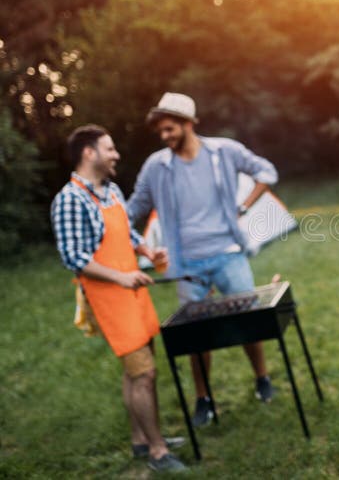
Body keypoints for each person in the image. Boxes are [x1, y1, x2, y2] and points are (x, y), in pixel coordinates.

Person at [127, 92, 278, 428]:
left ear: (188, 123)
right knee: (195, 336)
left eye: (169, 128)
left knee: (249, 321)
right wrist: (131, 240)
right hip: (186, 266)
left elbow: (266, 172)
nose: (164, 136)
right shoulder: (156, 167)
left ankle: (262, 378)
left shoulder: (224, 151)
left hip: (228, 255)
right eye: (160, 131)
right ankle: (203, 399)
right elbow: (131, 211)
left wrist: (242, 208)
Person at [51, 125, 187, 472]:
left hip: (134, 290)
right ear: (89, 153)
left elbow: (126, 232)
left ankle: (141, 441)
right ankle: (158, 452)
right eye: (109, 149)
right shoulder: (69, 199)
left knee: (137, 371)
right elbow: (74, 258)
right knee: (144, 374)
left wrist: (147, 251)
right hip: (110, 296)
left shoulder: (110, 191)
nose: (116, 155)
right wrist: (121, 277)